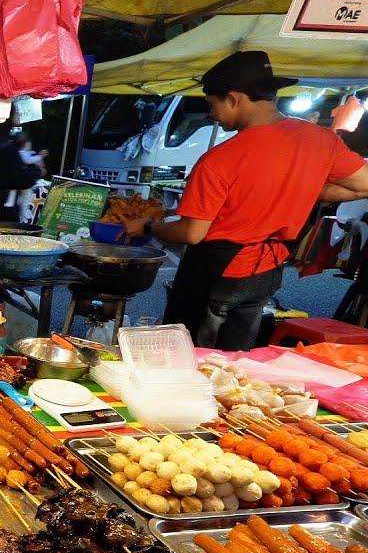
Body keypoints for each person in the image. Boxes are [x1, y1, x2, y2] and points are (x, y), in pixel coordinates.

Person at [124, 51, 368, 350]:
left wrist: (149, 226)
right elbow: (363, 185)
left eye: (212, 104)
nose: (211, 113)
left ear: (234, 98)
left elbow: (191, 232)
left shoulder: (220, 159)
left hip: (217, 274)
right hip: (267, 270)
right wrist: (302, 188)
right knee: (237, 359)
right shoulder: (320, 139)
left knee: (191, 357)